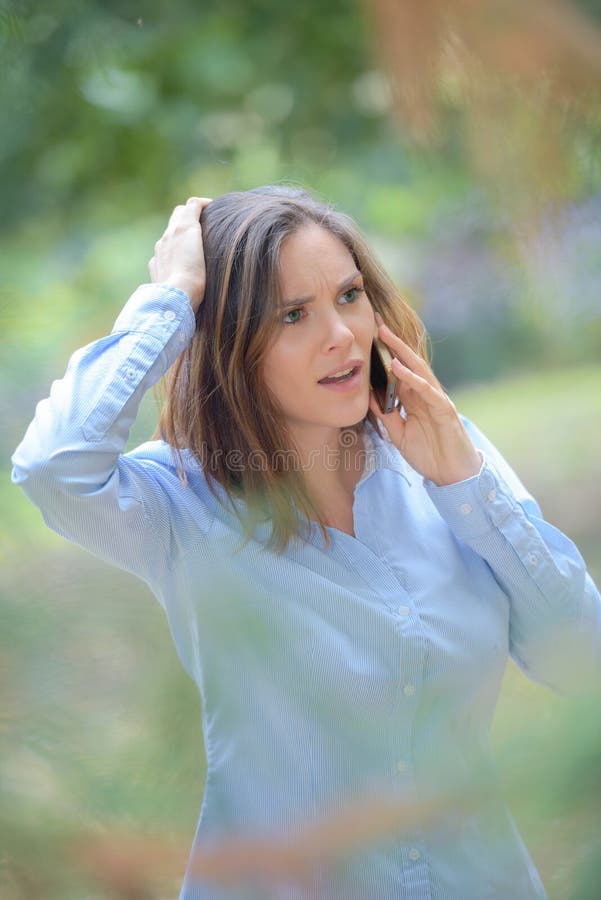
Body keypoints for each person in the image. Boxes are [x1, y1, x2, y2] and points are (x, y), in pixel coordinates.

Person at [11, 185, 601, 900]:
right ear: (228, 340)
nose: (341, 335)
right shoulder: (180, 510)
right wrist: (171, 298)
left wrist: (467, 487)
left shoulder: (444, 461)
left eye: (349, 295)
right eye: (293, 314)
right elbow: (52, 466)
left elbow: (582, 664)